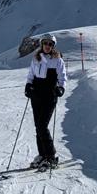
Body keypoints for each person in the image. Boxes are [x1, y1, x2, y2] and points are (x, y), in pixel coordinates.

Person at [25, 35, 66, 169]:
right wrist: (28, 85)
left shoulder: (57, 60)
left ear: (53, 46)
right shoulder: (36, 58)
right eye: (45, 43)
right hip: (36, 95)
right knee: (38, 126)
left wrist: (61, 88)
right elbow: (31, 74)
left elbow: (62, 76)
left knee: (42, 125)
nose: (47, 45)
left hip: (49, 95)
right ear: (42, 44)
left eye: (50, 44)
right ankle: (42, 154)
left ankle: (51, 156)